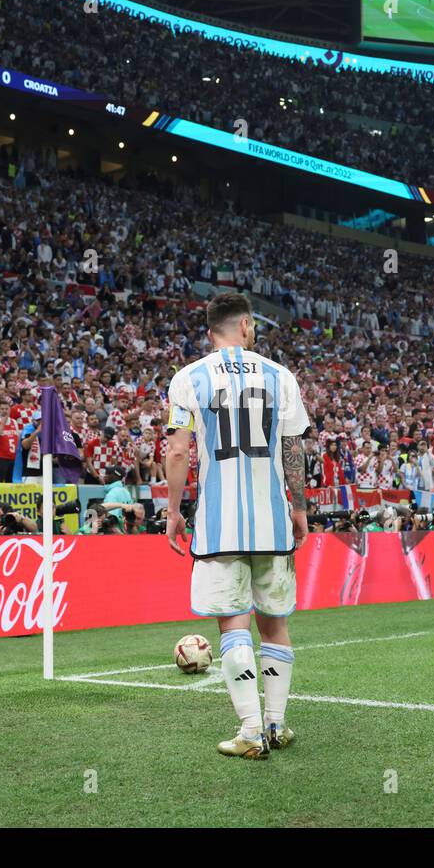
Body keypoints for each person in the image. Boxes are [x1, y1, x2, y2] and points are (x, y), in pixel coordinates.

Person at [164, 292, 310, 760]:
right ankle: (276, 724)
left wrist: (172, 511)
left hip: (219, 525)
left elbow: (178, 451)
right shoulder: (280, 377)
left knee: (234, 626)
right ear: (246, 326)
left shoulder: (188, 378)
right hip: (271, 522)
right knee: (275, 625)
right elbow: (294, 451)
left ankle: (249, 730)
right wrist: (300, 509)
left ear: (211, 332)